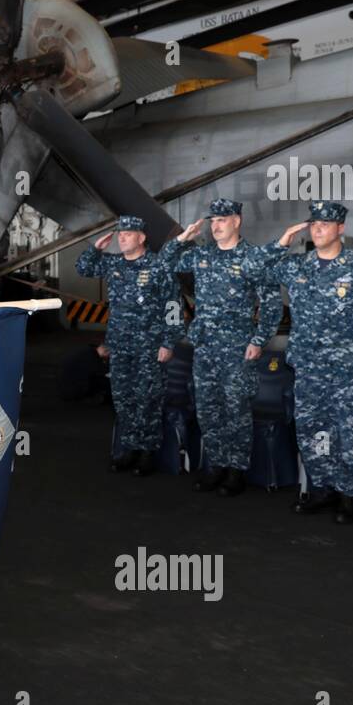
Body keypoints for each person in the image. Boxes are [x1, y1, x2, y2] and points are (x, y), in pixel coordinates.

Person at [250, 201, 353, 524]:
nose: (318, 228)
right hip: (310, 369)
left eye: (325, 224)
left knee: (351, 433)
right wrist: (281, 242)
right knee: (314, 432)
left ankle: (349, 495)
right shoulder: (298, 266)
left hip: (350, 370)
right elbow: (255, 266)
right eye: (314, 223)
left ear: (341, 228)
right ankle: (323, 488)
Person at [160, 199, 283, 496]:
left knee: (236, 409)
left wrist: (258, 339)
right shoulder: (202, 255)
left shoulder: (253, 257)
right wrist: (181, 239)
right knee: (208, 409)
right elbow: (165, 262)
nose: (216, 226)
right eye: (212, 221)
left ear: (237, 221)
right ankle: (215, 465)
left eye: (222, 220)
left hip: (238, 347)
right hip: (205, 347)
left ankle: (235, 470)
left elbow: (271, 303)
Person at [76, 215, 184, 476]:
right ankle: (130, 448)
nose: (122, 237)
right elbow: (83, 268)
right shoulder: (114, 264)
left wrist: (169, 342)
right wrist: (96, 248)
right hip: (120, 346)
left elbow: (173, 307)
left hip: (150, 346)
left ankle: (147, 452)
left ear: (141, 237)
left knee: (148, 398)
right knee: (124, 399)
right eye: (120, 233)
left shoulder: (158, 266)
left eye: (127, 233)